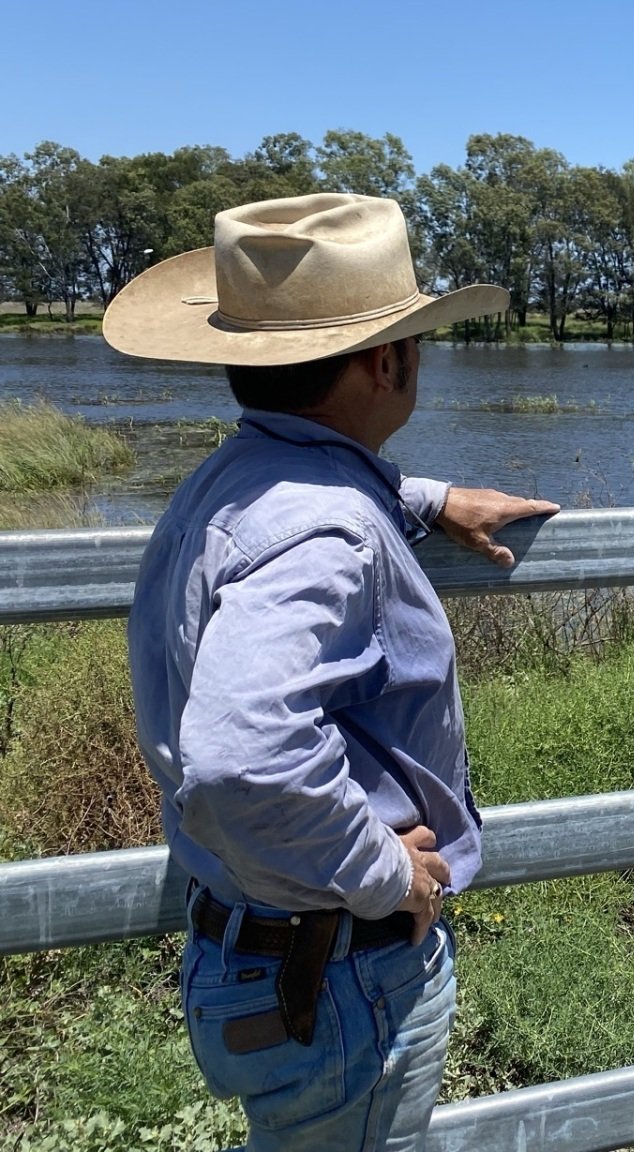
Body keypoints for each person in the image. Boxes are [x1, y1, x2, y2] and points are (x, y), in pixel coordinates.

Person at [102, 192, 560, 1150]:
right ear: (386, 361)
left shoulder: (240, 479)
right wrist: (386, 869)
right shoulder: (326, 531)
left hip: (262, 950)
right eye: (414, 342)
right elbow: (243, 757)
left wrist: (425, 498)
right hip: (341, 971)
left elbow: (315, 502)